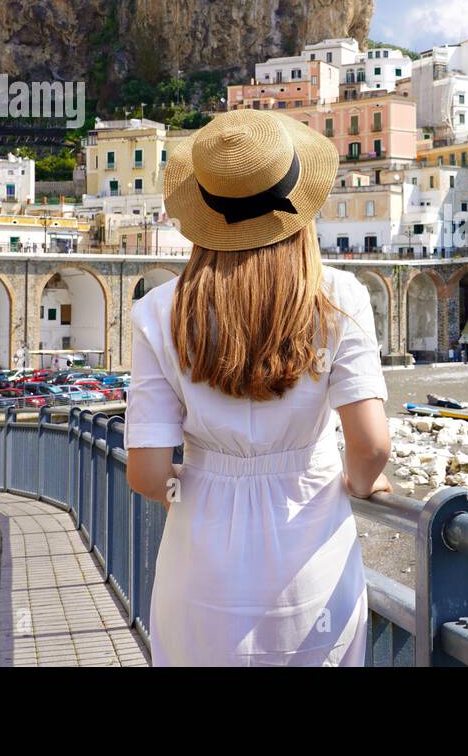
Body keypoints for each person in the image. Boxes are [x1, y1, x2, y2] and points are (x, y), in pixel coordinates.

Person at [124, 109, 393, 667]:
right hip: (312, 555)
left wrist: (198, 486)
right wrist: (360, 482)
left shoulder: (157, 313)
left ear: (203, 212)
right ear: (300, 203)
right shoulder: (339, 295)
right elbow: (370, 447)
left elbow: (147, 473)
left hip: (199, 568)